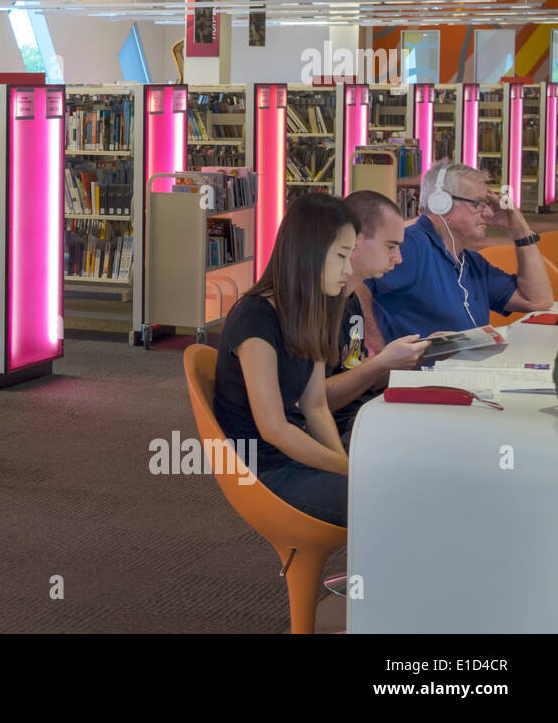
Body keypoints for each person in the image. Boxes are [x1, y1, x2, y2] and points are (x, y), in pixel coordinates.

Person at [212, 193, 354, 527]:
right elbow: (273, 428)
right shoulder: (255, 318)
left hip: (295, 453)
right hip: (264, 468)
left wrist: (341, 463)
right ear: (310, 254)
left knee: (395, 483)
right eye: (342, 256)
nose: (349, 269)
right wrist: (348, 470)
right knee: (388, 499)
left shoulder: (315, 308)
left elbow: (315, 405)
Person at [363, 163, 552, 344]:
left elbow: (537, 301)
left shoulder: (471, 262)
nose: (488, 213)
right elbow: (356, 285)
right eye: (478, 204)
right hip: (423, 375)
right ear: (441, 204)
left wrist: (520, 232)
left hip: (465, 372)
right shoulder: (411, 245)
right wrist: (376, 349)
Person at [327, 191, 429, 439]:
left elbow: (356, 373)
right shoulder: (318, 304)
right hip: (346, 428)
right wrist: (382, 362)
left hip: (363, 414)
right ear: (355, 241)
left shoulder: (351, 300)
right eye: (390, 246)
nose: (398, 258)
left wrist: (421, 353)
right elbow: (315, 401)